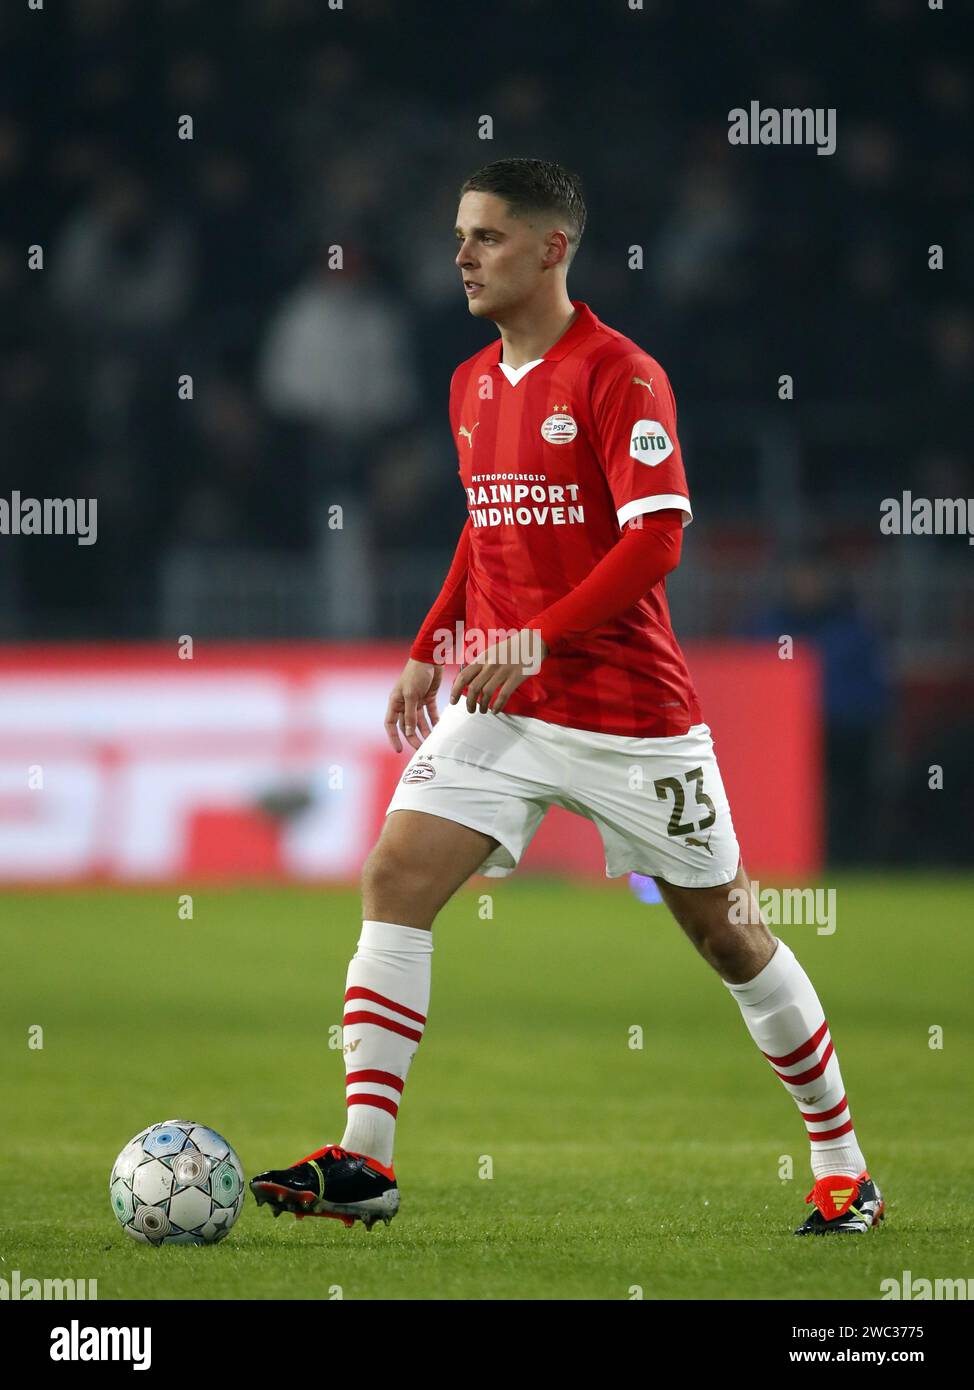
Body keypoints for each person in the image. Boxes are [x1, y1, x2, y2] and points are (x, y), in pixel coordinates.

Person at [251, 159, 884, 1237]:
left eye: (486, 236)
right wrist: (426, 643)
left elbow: (656, 541)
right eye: (458, 234)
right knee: (395, 875)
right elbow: (482, 527)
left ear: (551, 248)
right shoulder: (467, 384)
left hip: (627, 714)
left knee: (728, 933)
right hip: (501, 706)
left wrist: (537, 633)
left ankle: (843, 1163)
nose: (460, 255)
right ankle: (366, 1160)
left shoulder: (618, 375)